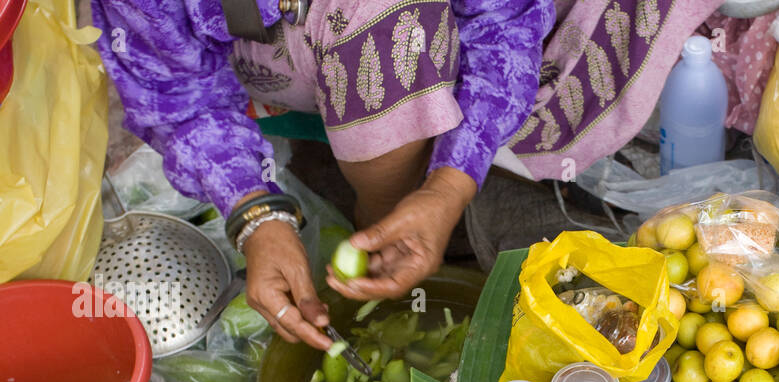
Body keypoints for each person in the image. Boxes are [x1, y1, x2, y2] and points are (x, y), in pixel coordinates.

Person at [93, 0, 725, 350]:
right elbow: (176, 90)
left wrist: (451, 182)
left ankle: (391, 215)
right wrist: (255, 211)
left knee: (381, 30)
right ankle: (388, 225)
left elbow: (501, 24)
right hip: (263, 45)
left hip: (410, 24)